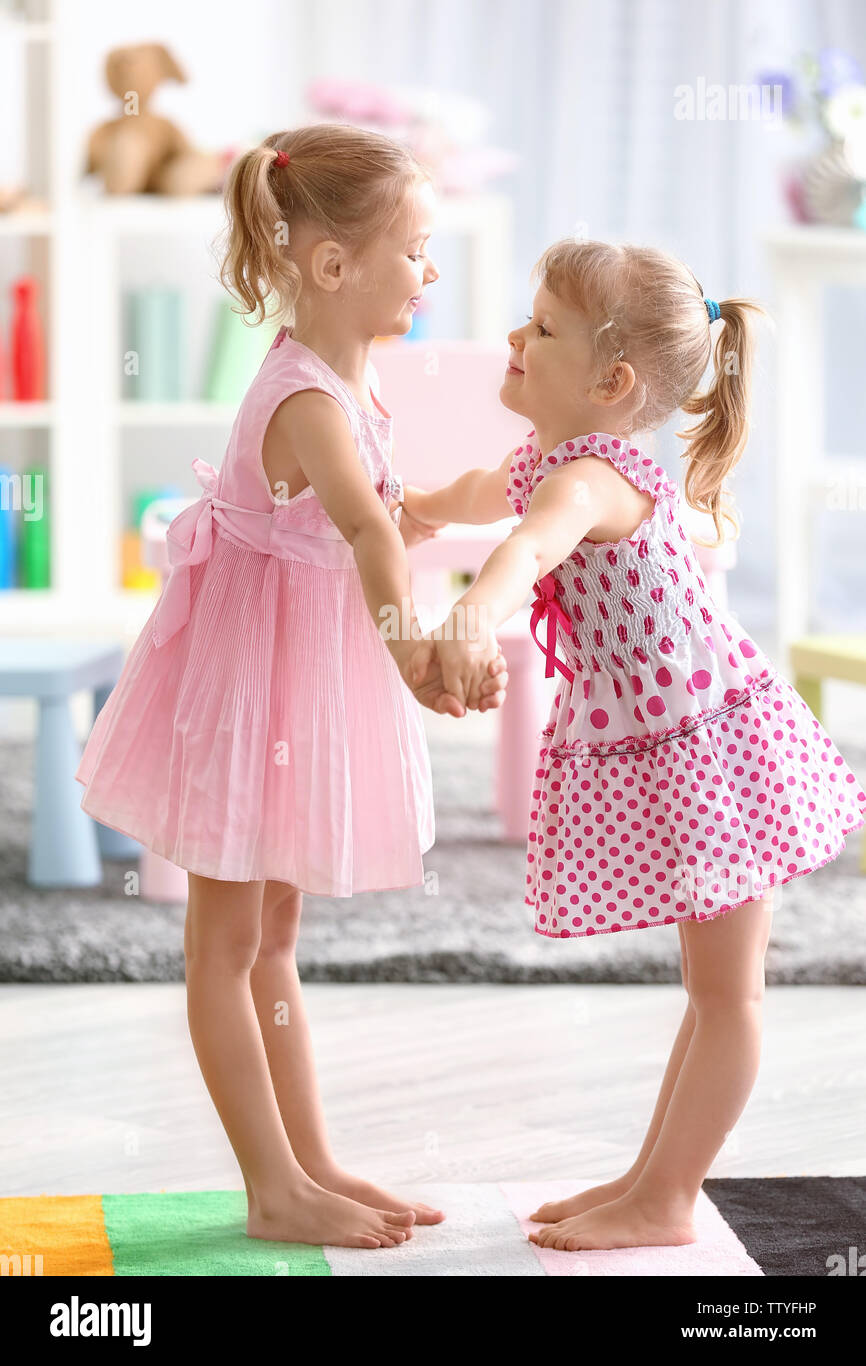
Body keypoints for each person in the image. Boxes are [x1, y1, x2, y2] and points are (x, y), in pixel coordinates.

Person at [76, 123, 507, 1250]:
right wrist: (410, 646)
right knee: (224, 942)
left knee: (273, 939)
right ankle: (270, 1185)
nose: (426, 271)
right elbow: (363, 530)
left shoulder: (351, 387)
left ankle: (307, 1159)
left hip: (294, 683)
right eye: (412, 250)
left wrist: (459, 499)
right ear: (330, 266)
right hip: (246, 692)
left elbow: (378, 510)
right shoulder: (305, 396)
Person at [403, 237, 866, 1251]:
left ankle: (663, 1197)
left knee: (728, 993)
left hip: (712, 750)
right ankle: (653, 1179)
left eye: (542, 329)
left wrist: (474, 615)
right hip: (679, 744)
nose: (513, 337)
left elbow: (526, 544)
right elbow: (488, 494)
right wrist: (411, 514)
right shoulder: (549, 461)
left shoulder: (590, 485)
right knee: (708, 992)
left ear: (610, 382)